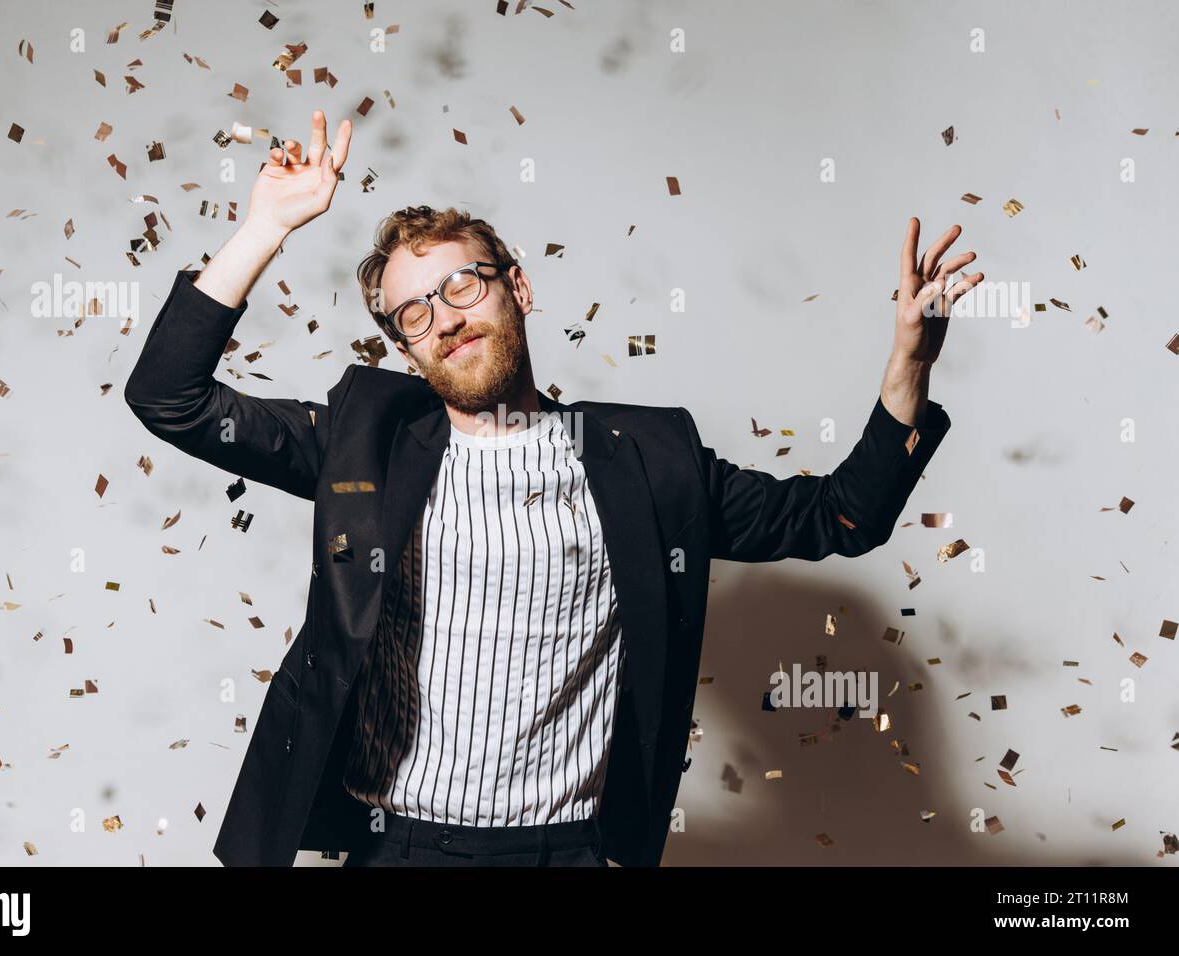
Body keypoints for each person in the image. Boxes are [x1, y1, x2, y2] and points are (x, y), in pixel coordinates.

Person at [124, 111, 981, 867]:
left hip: (568, 851)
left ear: (518, 288)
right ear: (403, 349)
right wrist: (264, 228)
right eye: (413, 314)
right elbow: (170, 398)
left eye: (461, 286)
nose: (446, 319)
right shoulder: (365, 443)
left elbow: (841, 515)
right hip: (399, 848)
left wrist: (908, 367)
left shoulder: (648, 461)